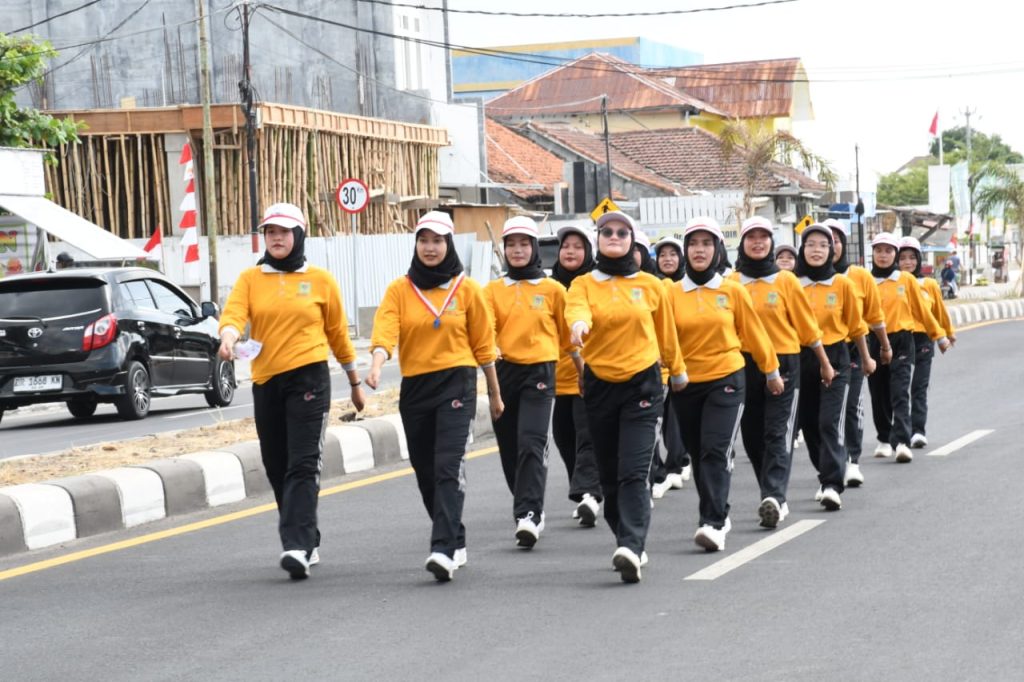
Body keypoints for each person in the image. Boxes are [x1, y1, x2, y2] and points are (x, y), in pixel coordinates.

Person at [218, 202, 365, 580]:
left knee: (302, 463)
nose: (277, 238)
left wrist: (353, 381)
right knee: (276, 464)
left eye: (284, 232)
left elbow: (337, 334)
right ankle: (307, 536)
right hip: (267, 382)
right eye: (270, 232)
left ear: (298, 235)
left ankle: (296, 545)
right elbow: (234, 314)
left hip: (309, 378)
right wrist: (228, 337)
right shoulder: (251, 279)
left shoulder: (320, 280)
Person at [366, 211, 503, 582]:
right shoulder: (400, 289)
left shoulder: (467, 289)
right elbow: (385, 330)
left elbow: (484, 345)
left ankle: (442, 547)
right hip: (416, 387)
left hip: (457, 382)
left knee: (446, 466)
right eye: (424, 240)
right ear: (416, 245)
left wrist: (494, 391)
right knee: (425, 470)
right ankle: (455, 537)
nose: (430, 248)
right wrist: (377, 364)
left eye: (438, 241)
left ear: (449, 245)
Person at [566, 210, 686, 583]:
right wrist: (580, 325)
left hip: (643, 385)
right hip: (600, 384)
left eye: (622, 232)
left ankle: (632, 545)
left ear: (633, 241)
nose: (614, 236)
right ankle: (626, 537)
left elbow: (666, 333)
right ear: (598, 240)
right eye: (607, 232)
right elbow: (577, 309)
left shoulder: (652, 285)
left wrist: (677, 370)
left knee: (634, 470)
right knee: (610, 474)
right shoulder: (584, 284)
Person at [665, 216, 780, 551]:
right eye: (693, 244)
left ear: (717, 250)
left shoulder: (731, 289)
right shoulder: (670, 293)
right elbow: (665, 337)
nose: (699, 250)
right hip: (686, 384)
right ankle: (718, 511)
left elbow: (753, 334)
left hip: (727, 377)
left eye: (707, 244)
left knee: (716, 450)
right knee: (699, 454)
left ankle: (712, 522)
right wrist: (673, 370)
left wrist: (771, 371)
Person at [731, 216, 834, 528]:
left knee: (778, 431)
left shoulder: (786, 281)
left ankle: (775, 495)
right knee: (751, 433)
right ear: (743, 243)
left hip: (786, 363)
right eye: (752, 237)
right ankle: (771, 491)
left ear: (771, 244)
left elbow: (806, 327)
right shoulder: (731, 283)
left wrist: (825, 362)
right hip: (745, 363)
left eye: (764, 237)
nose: (758, 242)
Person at [483, 217, 574, 549]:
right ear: (504, 250)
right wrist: (489, 348)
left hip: (540, 372)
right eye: (511, 244)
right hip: (502, 373)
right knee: (510, 448)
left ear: (534, 248)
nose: (518, 250)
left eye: (524, 244)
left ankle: (529, 514)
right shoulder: (492, 290)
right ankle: (526, 501)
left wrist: (583, 373)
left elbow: (568, 339)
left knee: (531, 442)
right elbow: (485, 329)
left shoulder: (553, 290)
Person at [794, 224, 874, 511]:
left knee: (829, 421)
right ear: (802, 249)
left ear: (832, 251)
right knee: (809, 423)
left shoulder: (843, 285)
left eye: (823, 245)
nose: (816, 250)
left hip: (837, 358)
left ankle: (831, 483)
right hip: (800, 358)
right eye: (810, 244)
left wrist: (866, 358)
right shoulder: (791, 283)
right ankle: (825, 472)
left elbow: (856, 326)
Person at [867, 232, 950, 464]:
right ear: (872, 254)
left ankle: (902, 441)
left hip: (902, 340)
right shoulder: (865, 281)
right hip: (874, 341)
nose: (883, 256)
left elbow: (923, 312)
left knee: (900, 390)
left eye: (888, 251)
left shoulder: (906, 281)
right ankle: (884, 438)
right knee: (879, 393)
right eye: (879, 251)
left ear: (894, 254)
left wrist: (939, 336)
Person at [824, 218, 889, 488]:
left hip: (851, 352)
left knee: (851, 406)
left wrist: (884, 347)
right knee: (822, 416)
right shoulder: (799, 281)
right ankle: (826, 468)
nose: (831, 246)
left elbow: (874, 317)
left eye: (836, 240)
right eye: (824, 241)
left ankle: (851, 461)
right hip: (816, 357)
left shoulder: (860, 277)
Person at [549, 224, 602, 526]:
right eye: (565, 246)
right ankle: (582, 488)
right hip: (558, 378)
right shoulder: (548, 285)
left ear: (589, 252)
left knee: (587, 437)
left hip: (590, 375)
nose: (570, 251)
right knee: (564, 437)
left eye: (578, 246)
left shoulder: (594, 284)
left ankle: (589, 494)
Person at [898, 237, 956, 448]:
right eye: (902, 258)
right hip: (900, 339)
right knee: (899, 389)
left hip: (923, 339)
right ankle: (899, 431)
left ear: (918, 260)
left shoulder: (929, 284)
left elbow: (939, 311)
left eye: (912, 258)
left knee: (919, 387)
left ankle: (918, 431)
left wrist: (948, 332)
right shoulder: (893, 283)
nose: (907, 262)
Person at [650, 237, 692, 499]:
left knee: (675, 419)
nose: (667, 259)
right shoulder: (653, 286)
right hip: (655, 363)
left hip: (681, 364)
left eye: (673, 254)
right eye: (662, 254)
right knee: (656, 420)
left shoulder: (685, 288)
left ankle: (678, 462)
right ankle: (660, 469)